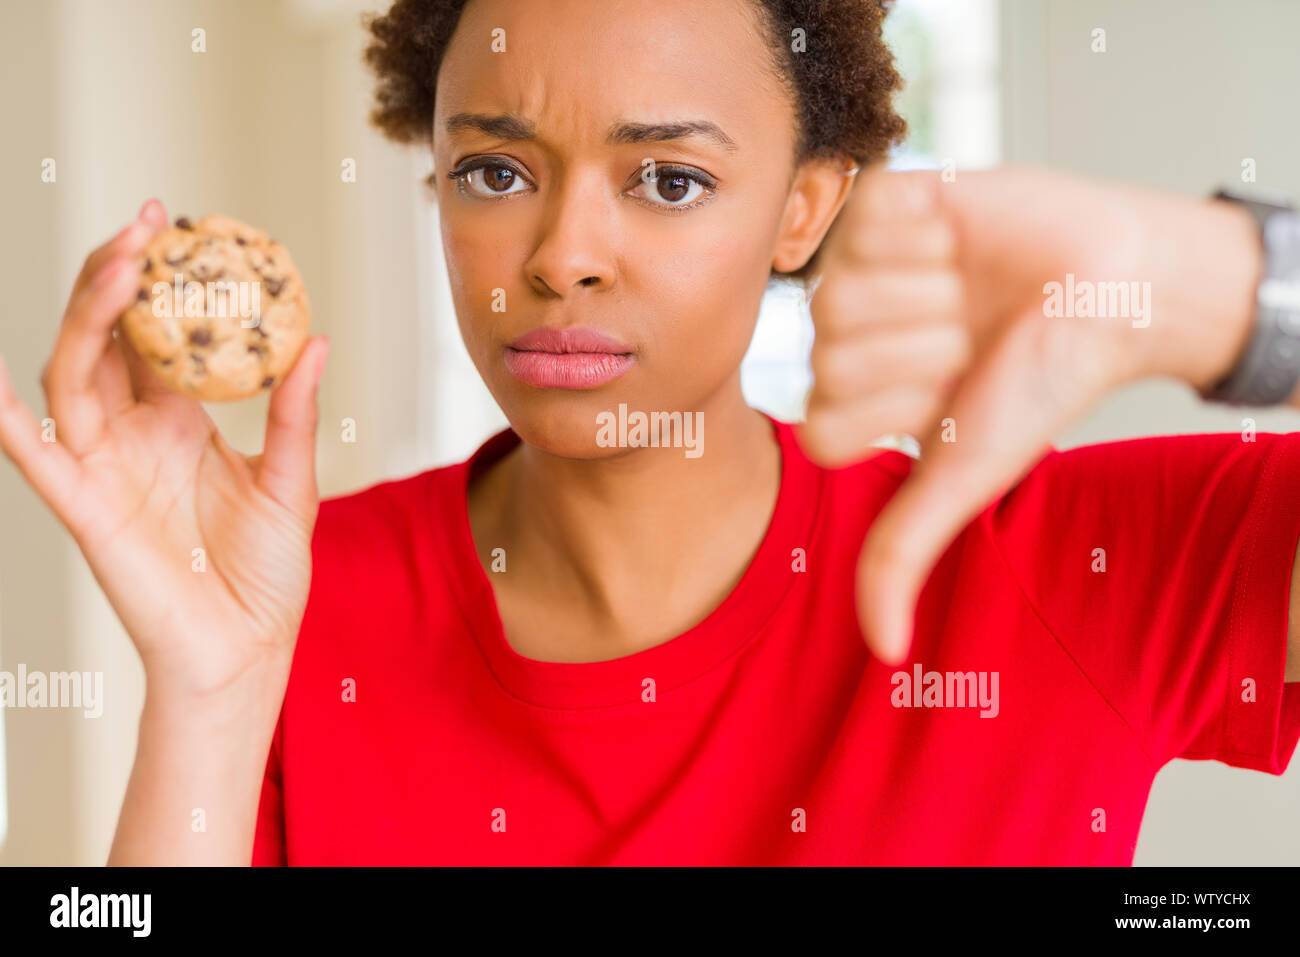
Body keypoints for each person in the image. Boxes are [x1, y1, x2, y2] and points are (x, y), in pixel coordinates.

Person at [0, 0, 1295, 865]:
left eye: (669, 180)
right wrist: (211, 693)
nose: (562, 258)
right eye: (495, 172)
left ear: (804, 210)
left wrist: (1224, 281)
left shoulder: (1061, 569)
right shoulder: (289, 601)